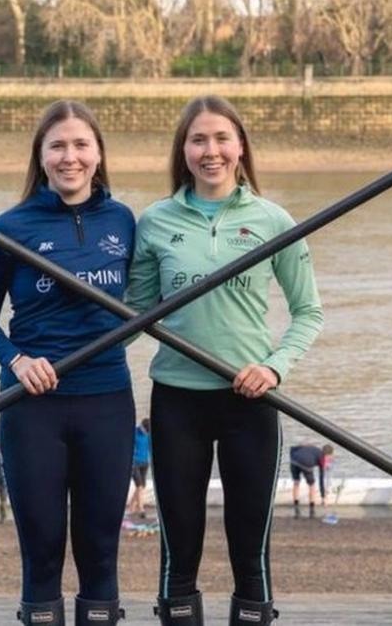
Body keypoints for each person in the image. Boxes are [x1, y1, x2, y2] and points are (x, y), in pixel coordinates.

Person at [126, 95, 323, 626]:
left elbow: (309, 312)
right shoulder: (155, 222)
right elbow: (132, 316)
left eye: (221, 139)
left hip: (250, 401)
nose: (210, 151)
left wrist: (274, 366)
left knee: (250, 550)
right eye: (198, 140)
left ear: (240, 147)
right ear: (183, 150)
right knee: (179, 548)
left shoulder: (273, 220)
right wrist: (63, 356)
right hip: (177, 402)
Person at [0, 100, 135, 626]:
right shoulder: (6, 228)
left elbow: (146, 299)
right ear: (40, 157)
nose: (70, 157)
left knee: (100, 552)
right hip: (32, 405)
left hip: (107, 401)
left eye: (81, 145)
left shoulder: (123, 221)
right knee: (41, 553)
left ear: (99, 154)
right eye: (57, 146)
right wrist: (16, 360)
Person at [288, 443, 333, 519]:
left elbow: (292, 448)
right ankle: (312, 511)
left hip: (294, 461)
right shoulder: (322, 458)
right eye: (330, 457)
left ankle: (296, 509)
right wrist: (323, 497)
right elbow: (321, 479)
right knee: (312, 485)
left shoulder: (313, 448)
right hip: (306, 462)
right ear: (327, 455)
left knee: (296, 483)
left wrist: (292, 457)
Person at [128, 418, 152, 518]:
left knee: (142, 486)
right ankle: (141, 509)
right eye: (145, 430)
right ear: (141, 426)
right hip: (134, 463)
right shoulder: (134, 432)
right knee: (139, 486)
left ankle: (131, 507)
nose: (146, 432)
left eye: (147, 431)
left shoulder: (149, 434)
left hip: (145, 463)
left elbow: (150, 447)